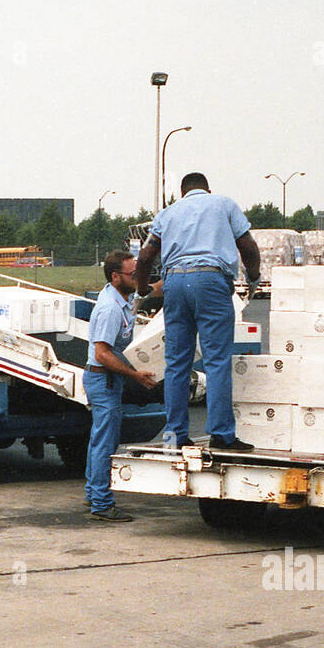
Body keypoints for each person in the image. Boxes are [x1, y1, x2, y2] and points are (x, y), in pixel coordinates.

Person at [135, 172, 261, 451]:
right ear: (207, 189)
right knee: (216, 359)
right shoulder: (223, 205)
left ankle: (175, 435)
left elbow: (145, 256)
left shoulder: (167, 214)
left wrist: (143, 289)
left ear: (183, 193)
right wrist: (253, 277)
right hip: (210, 280)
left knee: (177, 363)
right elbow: (248, 246)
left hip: (175, 283)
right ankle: (222, 434)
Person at [84, 251, 159, 522]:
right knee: (105, 442)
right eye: (132, 274)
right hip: (102, 378)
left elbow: (150, 289)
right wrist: (134, 374)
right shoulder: (110, 309)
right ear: (116, 277)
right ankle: (102, 504)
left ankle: (94, 493)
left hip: (106, 379)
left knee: (100, 439)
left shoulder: (123, 296)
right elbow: (102, 353)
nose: (137, 278)